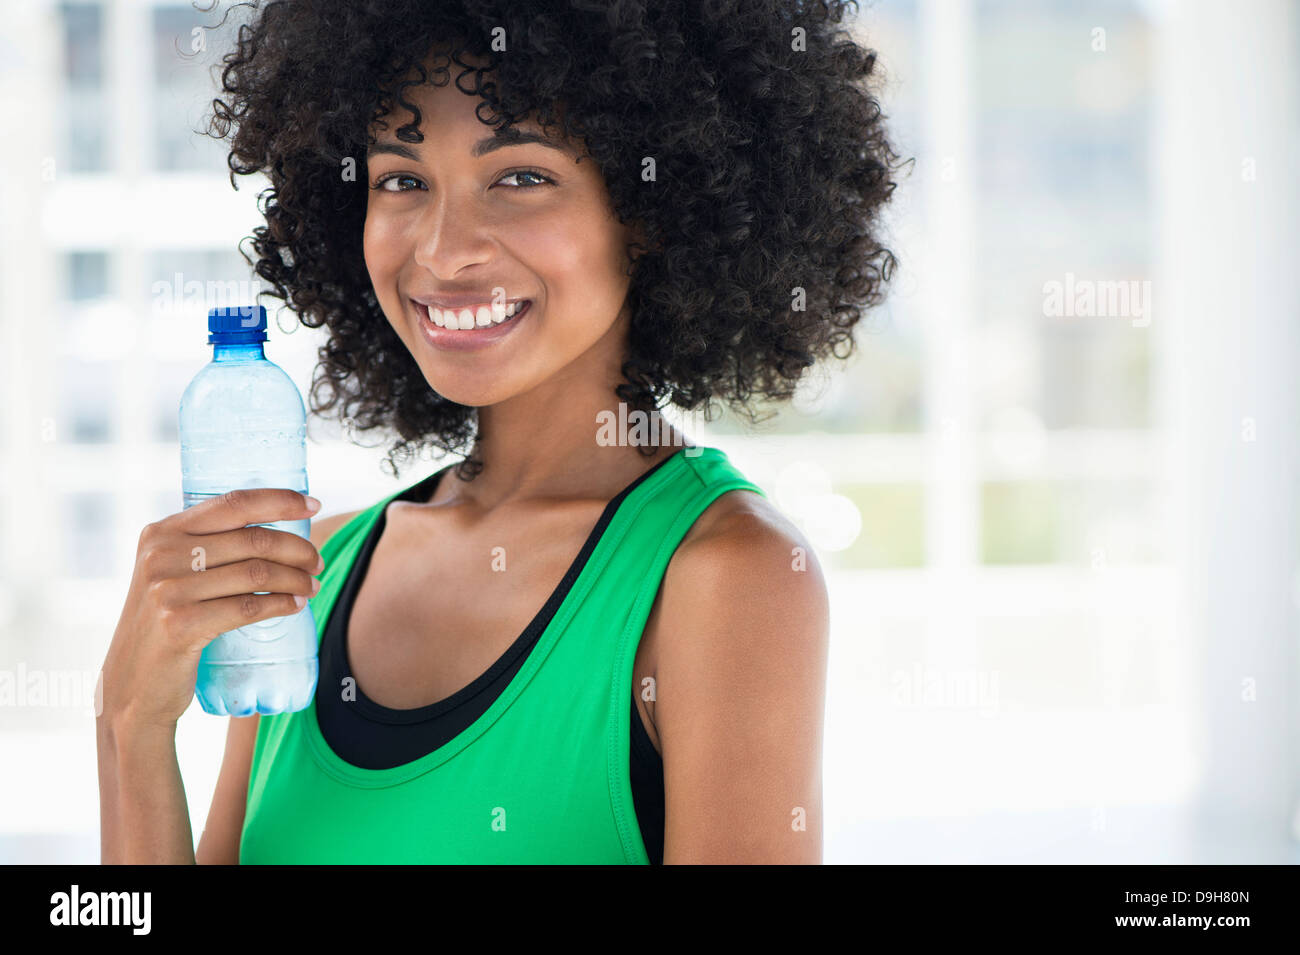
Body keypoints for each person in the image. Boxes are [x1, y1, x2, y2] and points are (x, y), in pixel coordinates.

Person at [97, 0, 902, 864]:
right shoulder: (308, 576)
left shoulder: (722, 580)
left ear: (651, 210)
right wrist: (129, 729)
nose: (443, 252)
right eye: (401, 180)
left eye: (520, 176)